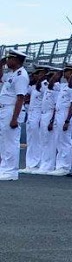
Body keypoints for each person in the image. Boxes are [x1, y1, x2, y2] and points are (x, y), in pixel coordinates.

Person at [0, 49, 26, 181]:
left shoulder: (21, 75)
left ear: (16, 60)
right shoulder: (12, 74)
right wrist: (0, 64)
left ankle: (10, 171)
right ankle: (4, 168)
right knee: (4, 141)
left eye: (9, 59)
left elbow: (20, 98)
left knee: (11, 141)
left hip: (12, 110)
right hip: (5, 110)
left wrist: (14, 118)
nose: (7, 61)